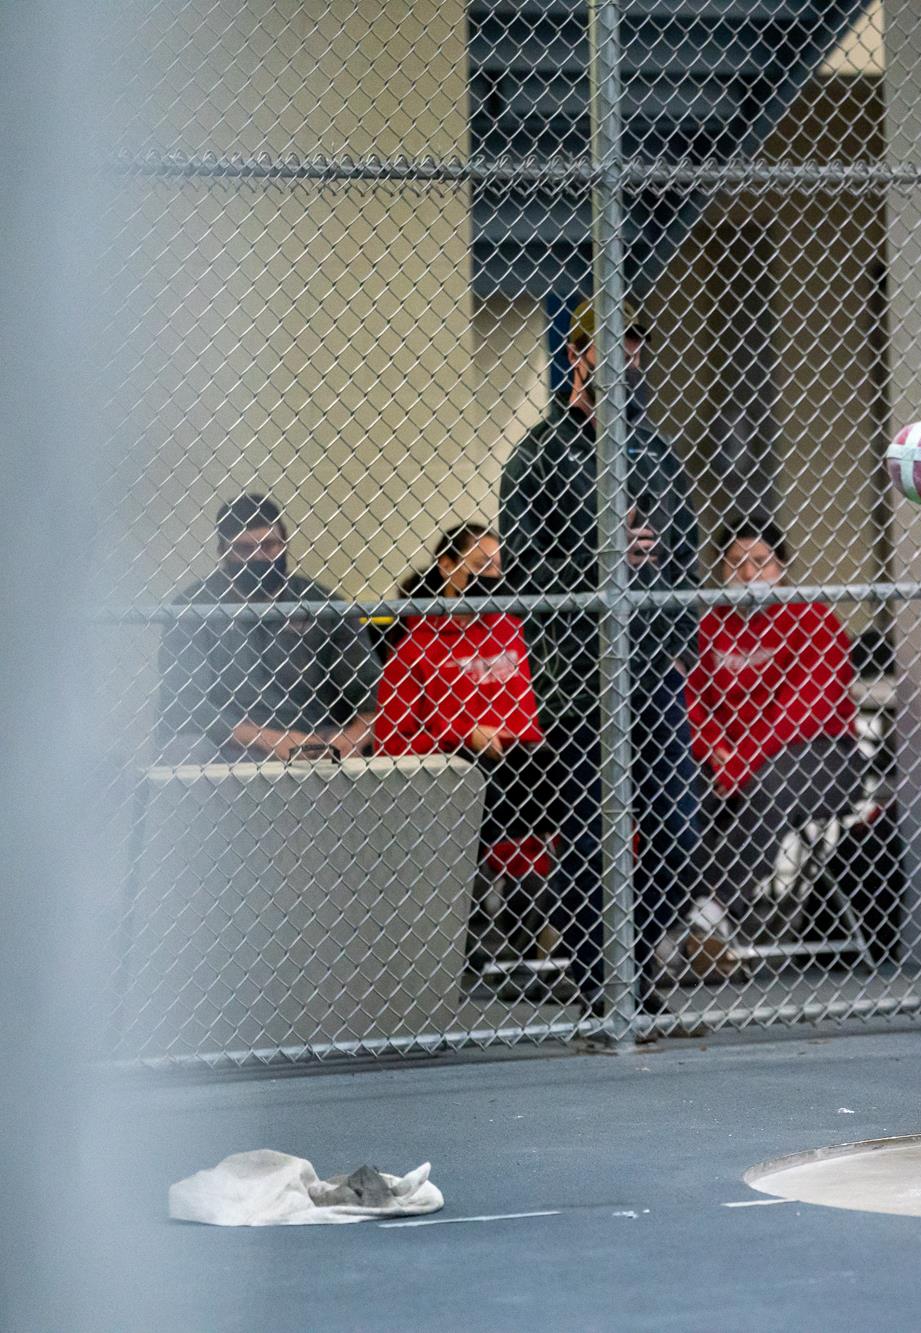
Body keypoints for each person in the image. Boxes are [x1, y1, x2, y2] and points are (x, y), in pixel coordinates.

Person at [498, 301, 704, 1017]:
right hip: (579, 675)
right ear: (576, 355)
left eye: (634, 347)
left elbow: (685, 558)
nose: (623, 359)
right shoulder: (537, 456)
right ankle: (601, 981)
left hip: (652, 670)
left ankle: (632, 957)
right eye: (608, 346)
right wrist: (603, 555)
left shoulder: (655, 450)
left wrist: (678, 647)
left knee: (678, 829)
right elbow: (523, 570)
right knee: (590, 832)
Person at [374, 523, 552, 997]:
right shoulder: (416, 643)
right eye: (479, 566)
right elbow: (392, 740)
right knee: (469, 830)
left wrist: (516, 740)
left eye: (497, 567)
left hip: (519, 771)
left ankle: (528, 955)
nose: (491, 576)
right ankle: (465, 954)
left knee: (545, 823)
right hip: (450, 777)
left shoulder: (512, 626)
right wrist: (462, 736)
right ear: (448, 567)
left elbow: (531, 716)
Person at [683, 524, 863, 958]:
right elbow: (691, 701)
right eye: (736, 564)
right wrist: (714, 750)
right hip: (728, 757)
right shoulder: (707, 625)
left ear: (782, 567)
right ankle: (683, 913)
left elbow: (800, 711)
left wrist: (741, 763)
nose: (748, 574)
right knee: (680, 786)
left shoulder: (813, 618)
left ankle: (709, 913)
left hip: (821, 753)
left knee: (772, 783)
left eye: (760, 562)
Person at [157, 493, 378, 764]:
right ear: (223, 551)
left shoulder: (324, 605)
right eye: (244, 549)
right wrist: (270, 739)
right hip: (231, 743)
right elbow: (186, 703)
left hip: (313, 739)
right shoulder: (193, 608)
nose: (259, 557)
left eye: (269, 545)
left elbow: (373, 694)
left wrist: (350, 740)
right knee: (185, 749)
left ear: (285, 543)